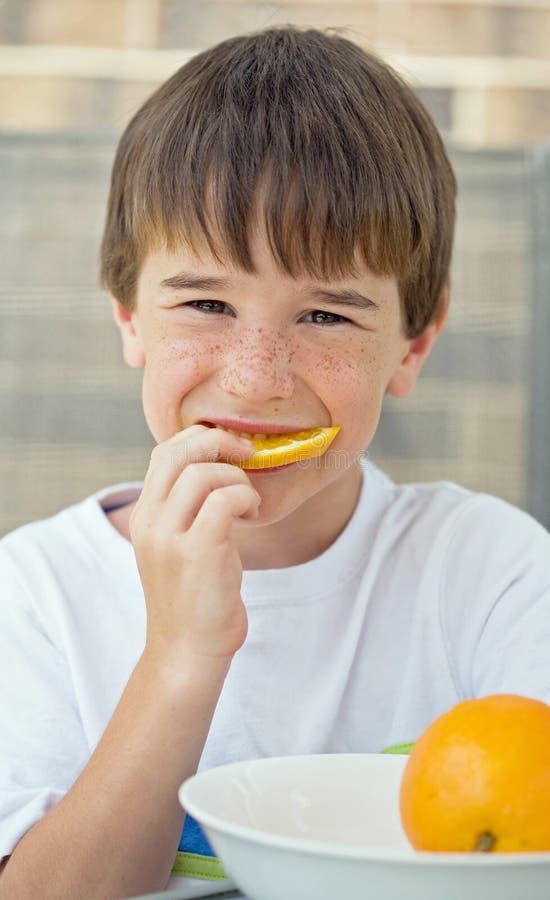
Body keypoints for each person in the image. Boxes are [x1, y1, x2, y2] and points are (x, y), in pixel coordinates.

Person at [0, 25, 549, 900]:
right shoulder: (33, 593)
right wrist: (183, 655)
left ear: (413, 344)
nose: (256, 382)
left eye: (327, 317)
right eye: (208, 303)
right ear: (130, 317)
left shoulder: (491, 571)